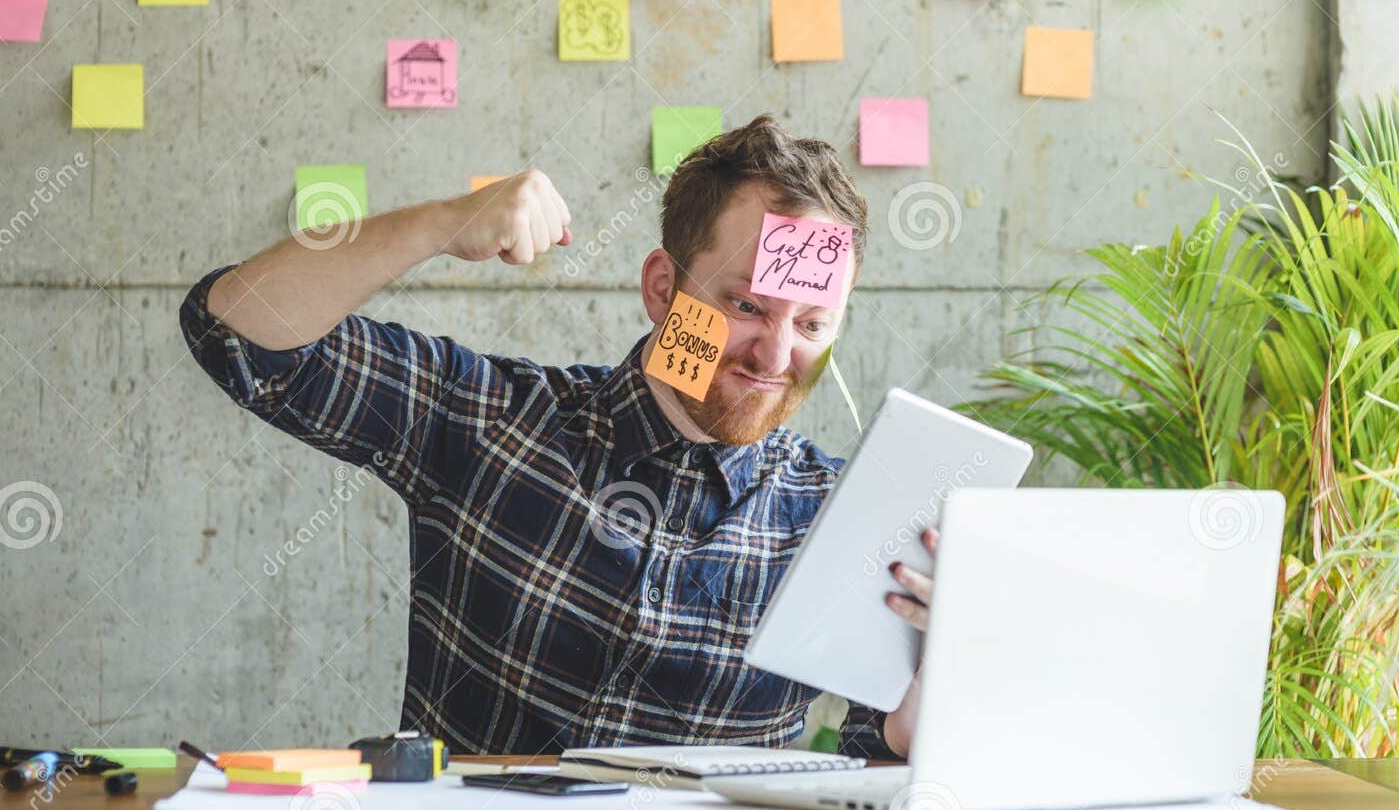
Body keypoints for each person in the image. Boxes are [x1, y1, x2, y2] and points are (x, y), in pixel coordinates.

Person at [181, 115, 933, 759]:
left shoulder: (843, 518)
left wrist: (943, 665)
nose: (774, 357)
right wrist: (439, 223)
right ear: (662, 291)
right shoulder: (493, 420)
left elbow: (880, 754)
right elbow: (234, 333)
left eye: (810, 325)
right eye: (745, 305)